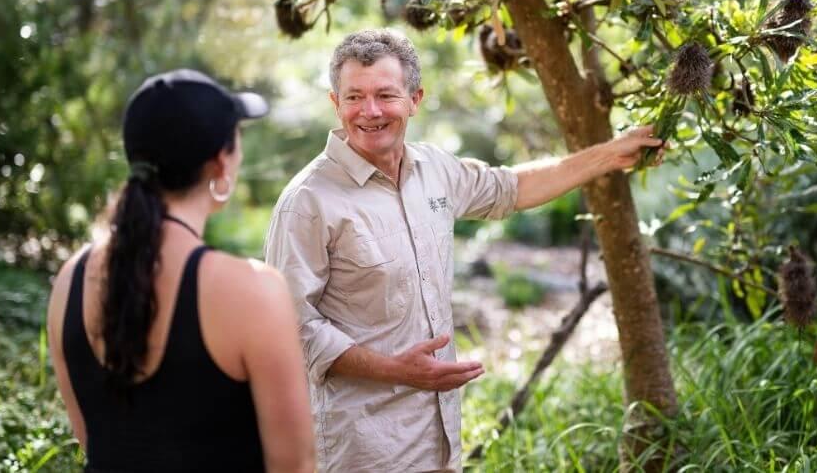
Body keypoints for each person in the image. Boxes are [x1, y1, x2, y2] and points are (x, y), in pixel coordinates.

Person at [264, 30, 665, 472]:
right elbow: (289, 326)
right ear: (335, 103)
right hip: (364, 449)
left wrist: (612, 153)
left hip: (439, 439)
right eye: (354, 97)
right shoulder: (308, 201)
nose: (370, 111)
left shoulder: (433, 170)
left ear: (415, 99)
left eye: (385, 95)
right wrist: (395, 370)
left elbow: (512, 187)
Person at [47, 69, 315, 473]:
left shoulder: (71, 278)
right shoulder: (252, 290)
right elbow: (294, 465)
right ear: (221, 162)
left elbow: (92, 440)